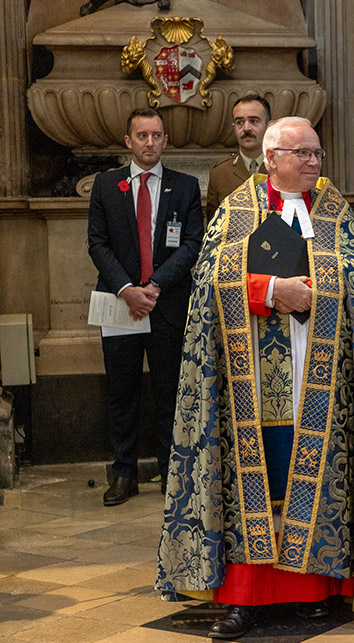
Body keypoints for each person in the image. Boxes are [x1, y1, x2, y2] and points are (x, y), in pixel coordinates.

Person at [155, 116, 354, 639]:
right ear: (272, 158)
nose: (313, 163)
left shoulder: (334, 209)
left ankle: (314, 592)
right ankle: (246, 599)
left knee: (322, 480)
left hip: (322, 381)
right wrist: (270, 291)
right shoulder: (238, 210)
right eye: (302, 153)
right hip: (250, 383)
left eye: (318, 154)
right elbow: (209, 280)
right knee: (256, 485)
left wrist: (321, 290)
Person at [87, 106, 203, 506]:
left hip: (167, 304)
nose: (149, 142)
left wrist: (153, 287)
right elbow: (97, 244)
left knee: (171, 390)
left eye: (156, 135)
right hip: (120, 305)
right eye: (142, 136)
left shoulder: (185, 187)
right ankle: (123, 472)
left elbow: (191, 245)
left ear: (165, 140)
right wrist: (126, 289)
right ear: (128, 141)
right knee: (122, 390)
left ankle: (173, 473)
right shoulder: (106, 185)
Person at [205, 94, 270, 222]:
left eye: (254, 121)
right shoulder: (220, 172)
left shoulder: (282, 167)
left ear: (268, 125)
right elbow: (213, 225)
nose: (246, 128)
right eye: (240, 122)